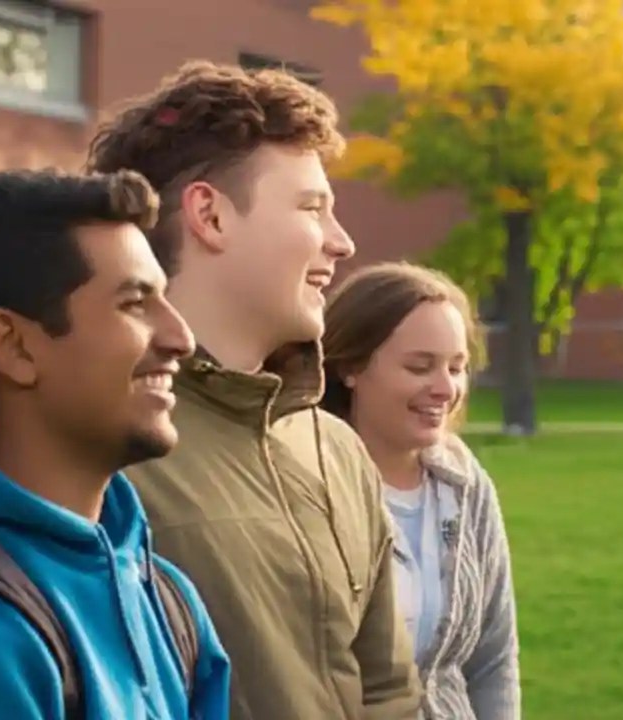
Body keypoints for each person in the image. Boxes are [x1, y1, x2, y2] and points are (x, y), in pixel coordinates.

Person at [87, 61, 422, 719]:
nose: (342, 241)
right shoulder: (96, 453)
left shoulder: (337, 448)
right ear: (209, 214)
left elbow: (388, 693)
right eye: (311, 207)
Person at [0, 168, 230, 718]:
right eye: (133, 302)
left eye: (164, 298)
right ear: (15, 347)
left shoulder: (170, 601)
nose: (181, 339)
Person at [321, 262, 521, 719]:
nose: (445, 389)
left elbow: (493, 659)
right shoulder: (306, 486)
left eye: (457, 367)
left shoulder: (466, 488)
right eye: (420, 366)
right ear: (351, 366)